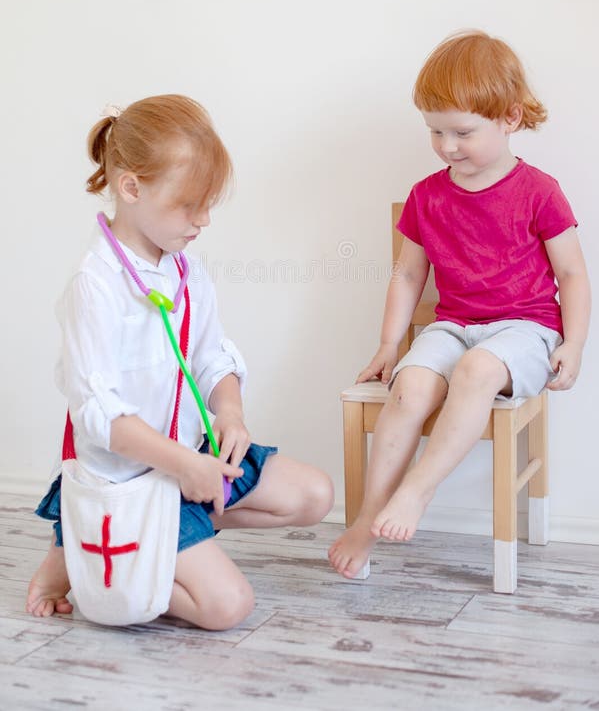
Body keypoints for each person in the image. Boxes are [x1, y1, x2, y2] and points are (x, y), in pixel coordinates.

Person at [27, 94, 334, 627]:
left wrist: (230, 415)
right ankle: (84, 553)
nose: (205, 220)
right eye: (190, 205)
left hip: (186, 461)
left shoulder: (186, 270)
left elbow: (213, 357)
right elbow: (102, 418)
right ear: (131, 187)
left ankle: (154, 531)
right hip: (126, 478)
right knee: (227, 608)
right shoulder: (94, 286)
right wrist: (185, 466)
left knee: (314, 495)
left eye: (210, 203)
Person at [329, 31, 590, 579]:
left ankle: (417, 492)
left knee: (474, 371)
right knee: (412, 386)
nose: (447, 145)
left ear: (510, 118)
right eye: (435, 131)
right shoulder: (428, 196)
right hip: (454, 326)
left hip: (526, 330)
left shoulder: (539, 191)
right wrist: (385, 345)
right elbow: (407, 274)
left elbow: (572, 273)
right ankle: (368, 519)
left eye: (462, 132)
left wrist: (574, 343)